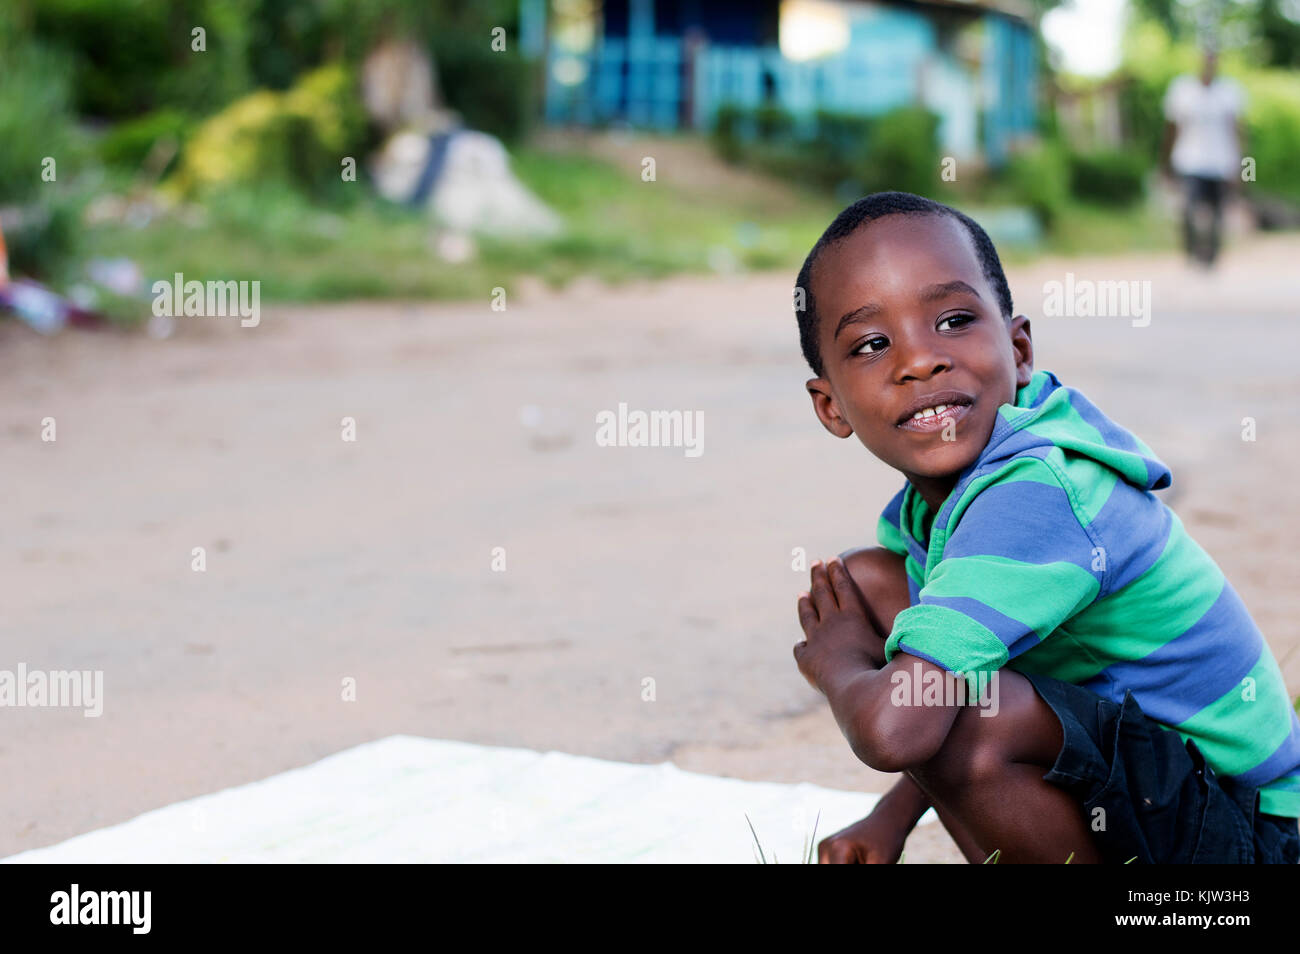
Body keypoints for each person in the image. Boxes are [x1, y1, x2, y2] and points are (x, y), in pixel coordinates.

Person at [790, 191, 1300, 863]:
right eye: (873, 343)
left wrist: (837, 663)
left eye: (953, 319)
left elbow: (897, 730)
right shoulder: (939, 512)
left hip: (1254, 837)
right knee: (873, 586)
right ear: (832, 407)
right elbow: (959, 676)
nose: (919, 361)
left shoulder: (1038, 495)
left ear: (1019, 347)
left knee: (965, 718)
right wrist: (891, 819)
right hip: (1166, 794)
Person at [1161, 46, 1247, 267]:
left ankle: (1213, 257)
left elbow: (1240, 133)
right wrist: (1165, 163)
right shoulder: (1183, 89)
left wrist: (1246, 171)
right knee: (1188, 208)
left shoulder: (1230, 92)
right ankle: (1190, 252)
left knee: (1218, 213)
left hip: (1221, 162)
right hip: (1190, 160)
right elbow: (1171, 129)